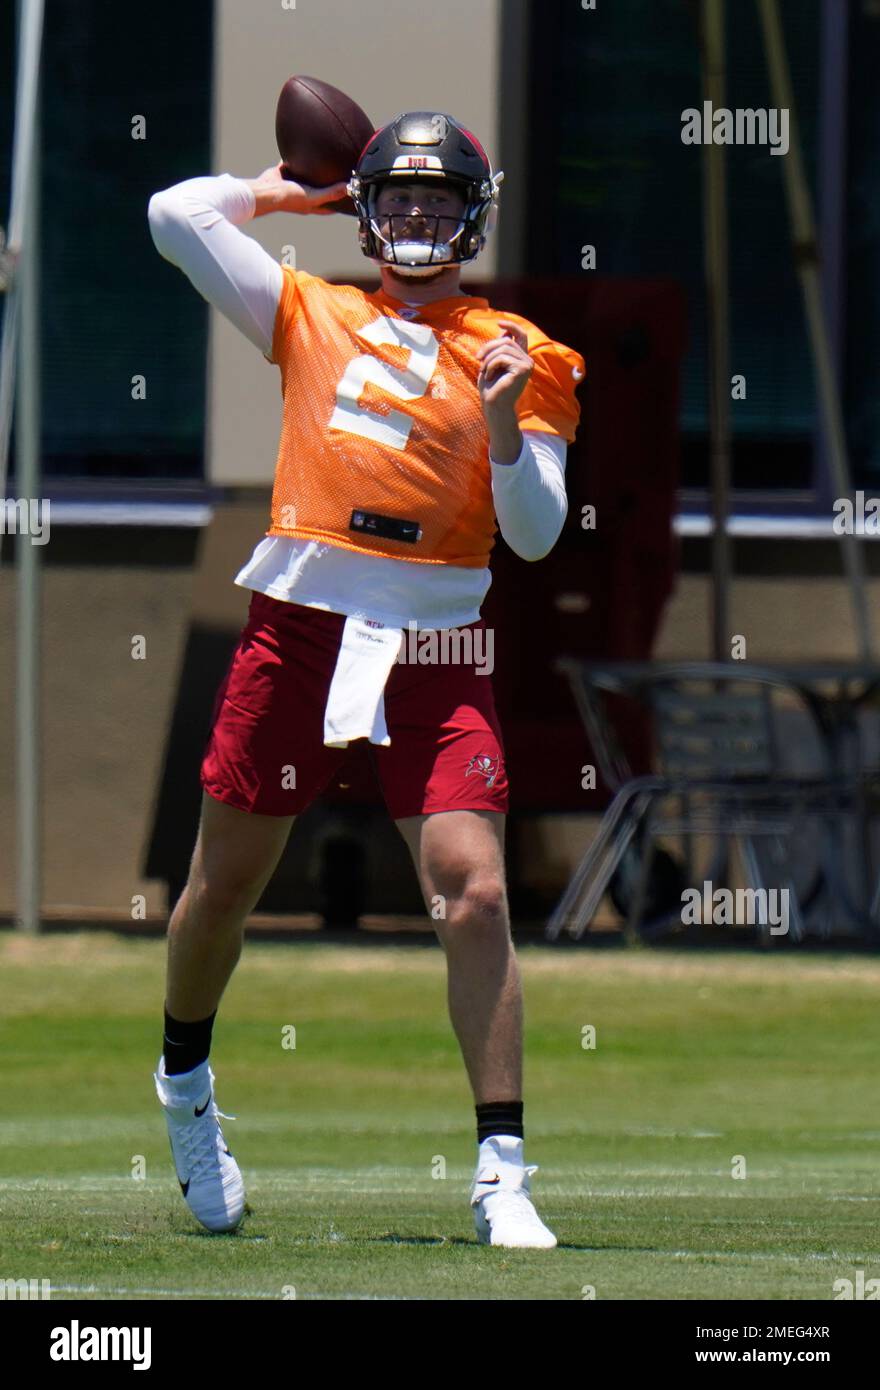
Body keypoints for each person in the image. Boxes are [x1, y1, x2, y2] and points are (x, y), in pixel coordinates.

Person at [147, 110, 584, 1248]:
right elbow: (175, 214)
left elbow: (534, 536)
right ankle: (186, 1090)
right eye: (397, 200)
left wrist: (499, 428)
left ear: (473, 218)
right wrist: (292, 192)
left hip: (435, 643)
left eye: (439, 205)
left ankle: (500, 1169)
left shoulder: (517, 349)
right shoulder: (312, 308)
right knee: (221, 890)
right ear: (368, 208)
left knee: (471, 885)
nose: (417, 221)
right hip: (298, 622)